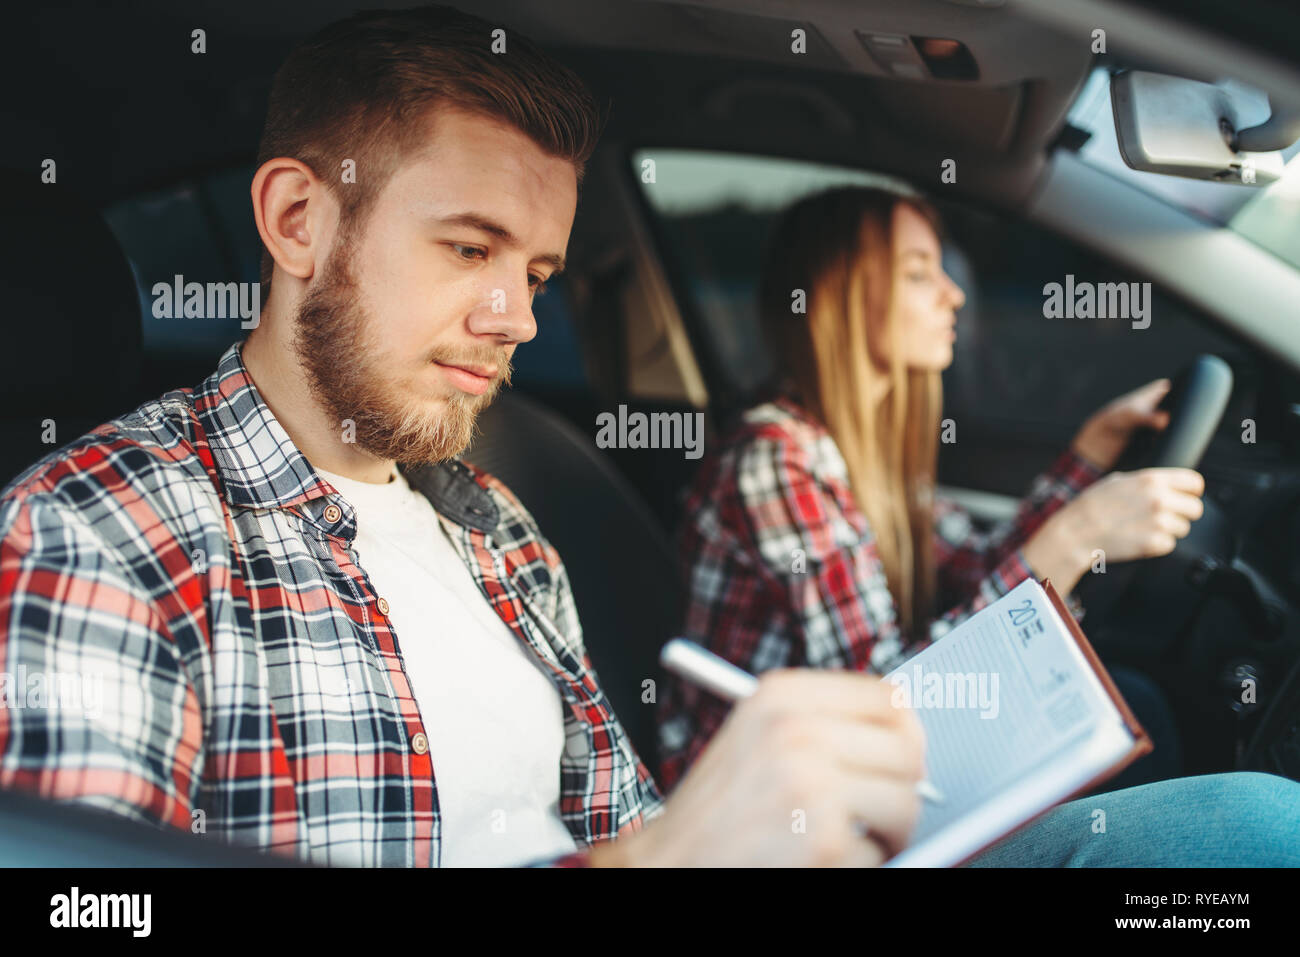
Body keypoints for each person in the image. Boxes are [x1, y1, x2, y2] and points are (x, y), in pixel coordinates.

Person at [1, 6, 1296, 868]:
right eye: (468, 249)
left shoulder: (497, 533)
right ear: (296, 223)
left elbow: (628, 836)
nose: (514, 318)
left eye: (544, 271)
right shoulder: (97, 533)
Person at [654, 185, 1300, 864]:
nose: (952, 293)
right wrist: (1075, 538)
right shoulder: (775, 462)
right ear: (838, 296)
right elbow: (883, 700)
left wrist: (1085, 458)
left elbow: (974, 561)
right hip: (781, 827)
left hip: (859, 785)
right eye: (916, 272)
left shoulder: (854, 444)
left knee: (1136, 704)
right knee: (1269, 823)